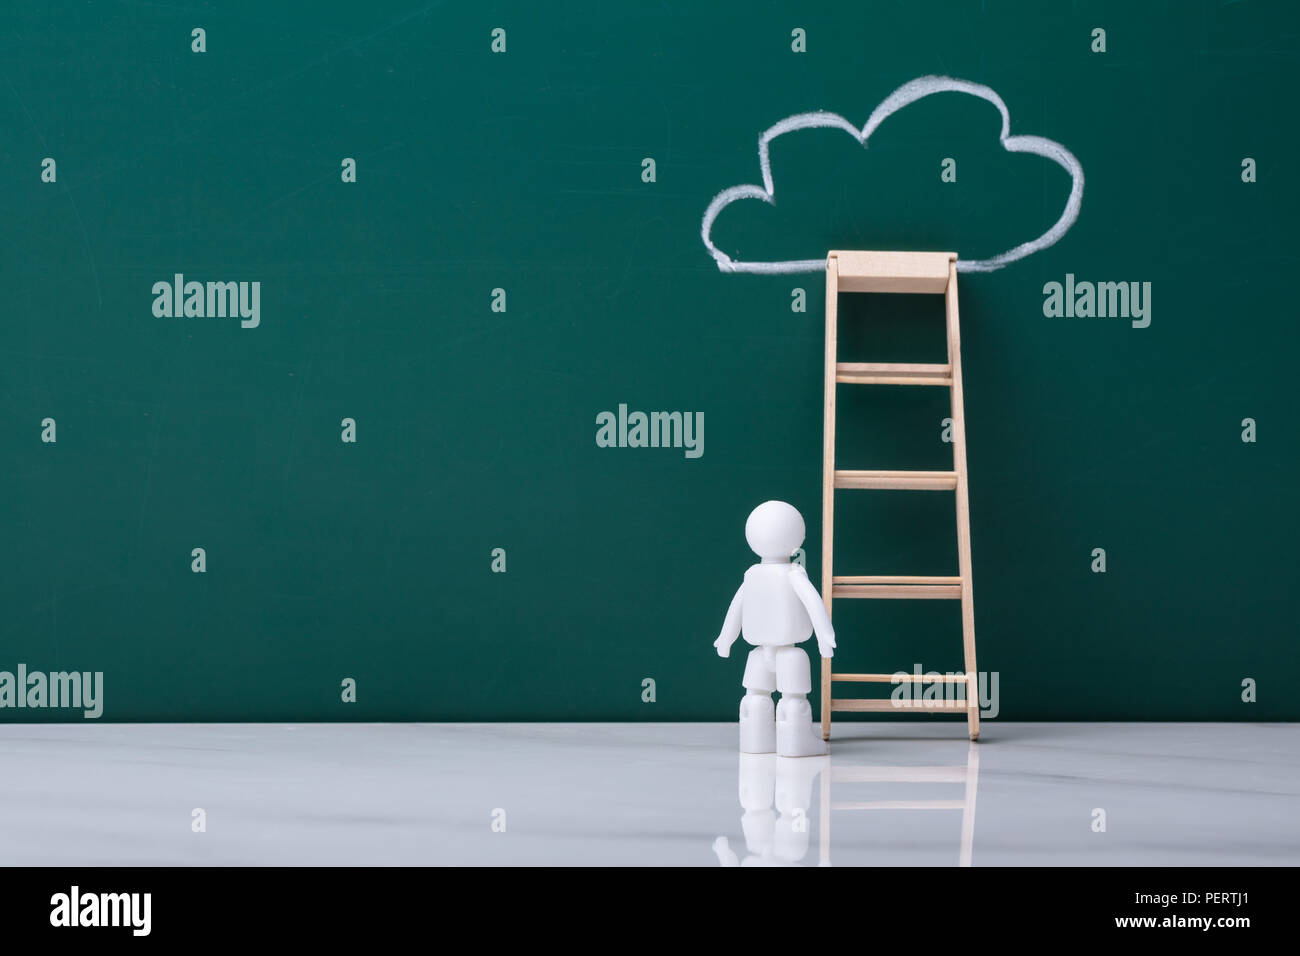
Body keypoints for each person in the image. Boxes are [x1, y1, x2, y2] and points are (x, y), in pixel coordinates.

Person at [714, 501, 835, 756]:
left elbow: (736, 607)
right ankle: (795, 744)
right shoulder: (792, 573)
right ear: (797, 535)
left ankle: (756, 743)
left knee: (755, 699)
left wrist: (726, 638)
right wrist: (825, 637)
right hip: (789, 653)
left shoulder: (753, 574)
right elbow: (814, 603)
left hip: (758, 652)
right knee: (792, 702)